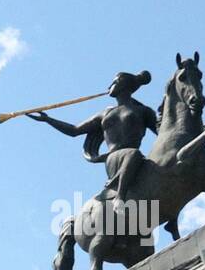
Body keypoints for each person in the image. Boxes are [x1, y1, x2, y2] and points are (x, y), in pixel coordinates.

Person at [29, 70, 155, 212]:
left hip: (131, 155)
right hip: (114, 158)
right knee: (133, 154)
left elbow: (162, 131)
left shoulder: (143, 111)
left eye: (115, 82)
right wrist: (48, 120)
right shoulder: (106, 113)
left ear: (124, 85)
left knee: (134, 154)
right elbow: (74, 130)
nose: (110, 85)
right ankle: (119, 197)